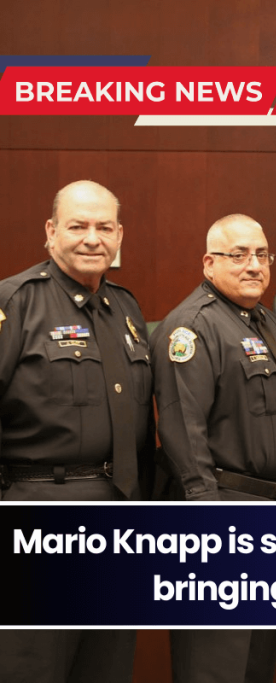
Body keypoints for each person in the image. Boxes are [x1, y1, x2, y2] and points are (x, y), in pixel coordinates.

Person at [0, 180, 152, 681]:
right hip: (40, 511)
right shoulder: (16, 303)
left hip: (119, 511)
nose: (92, 238)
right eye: (78, 226)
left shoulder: (125, 310)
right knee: (34, 665)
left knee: (106, 663)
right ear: (50, 232)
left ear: (119, 235)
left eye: (104, 227)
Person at [152, 214, 276, 682]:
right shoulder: (192, 328)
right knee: (215, 663)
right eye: (238, 255)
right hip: (224, 513)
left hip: (274, 513)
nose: (254, 265)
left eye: (262, 254)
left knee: (257, 659)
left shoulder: (266, 322)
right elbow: (183, 430)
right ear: (209, 262)